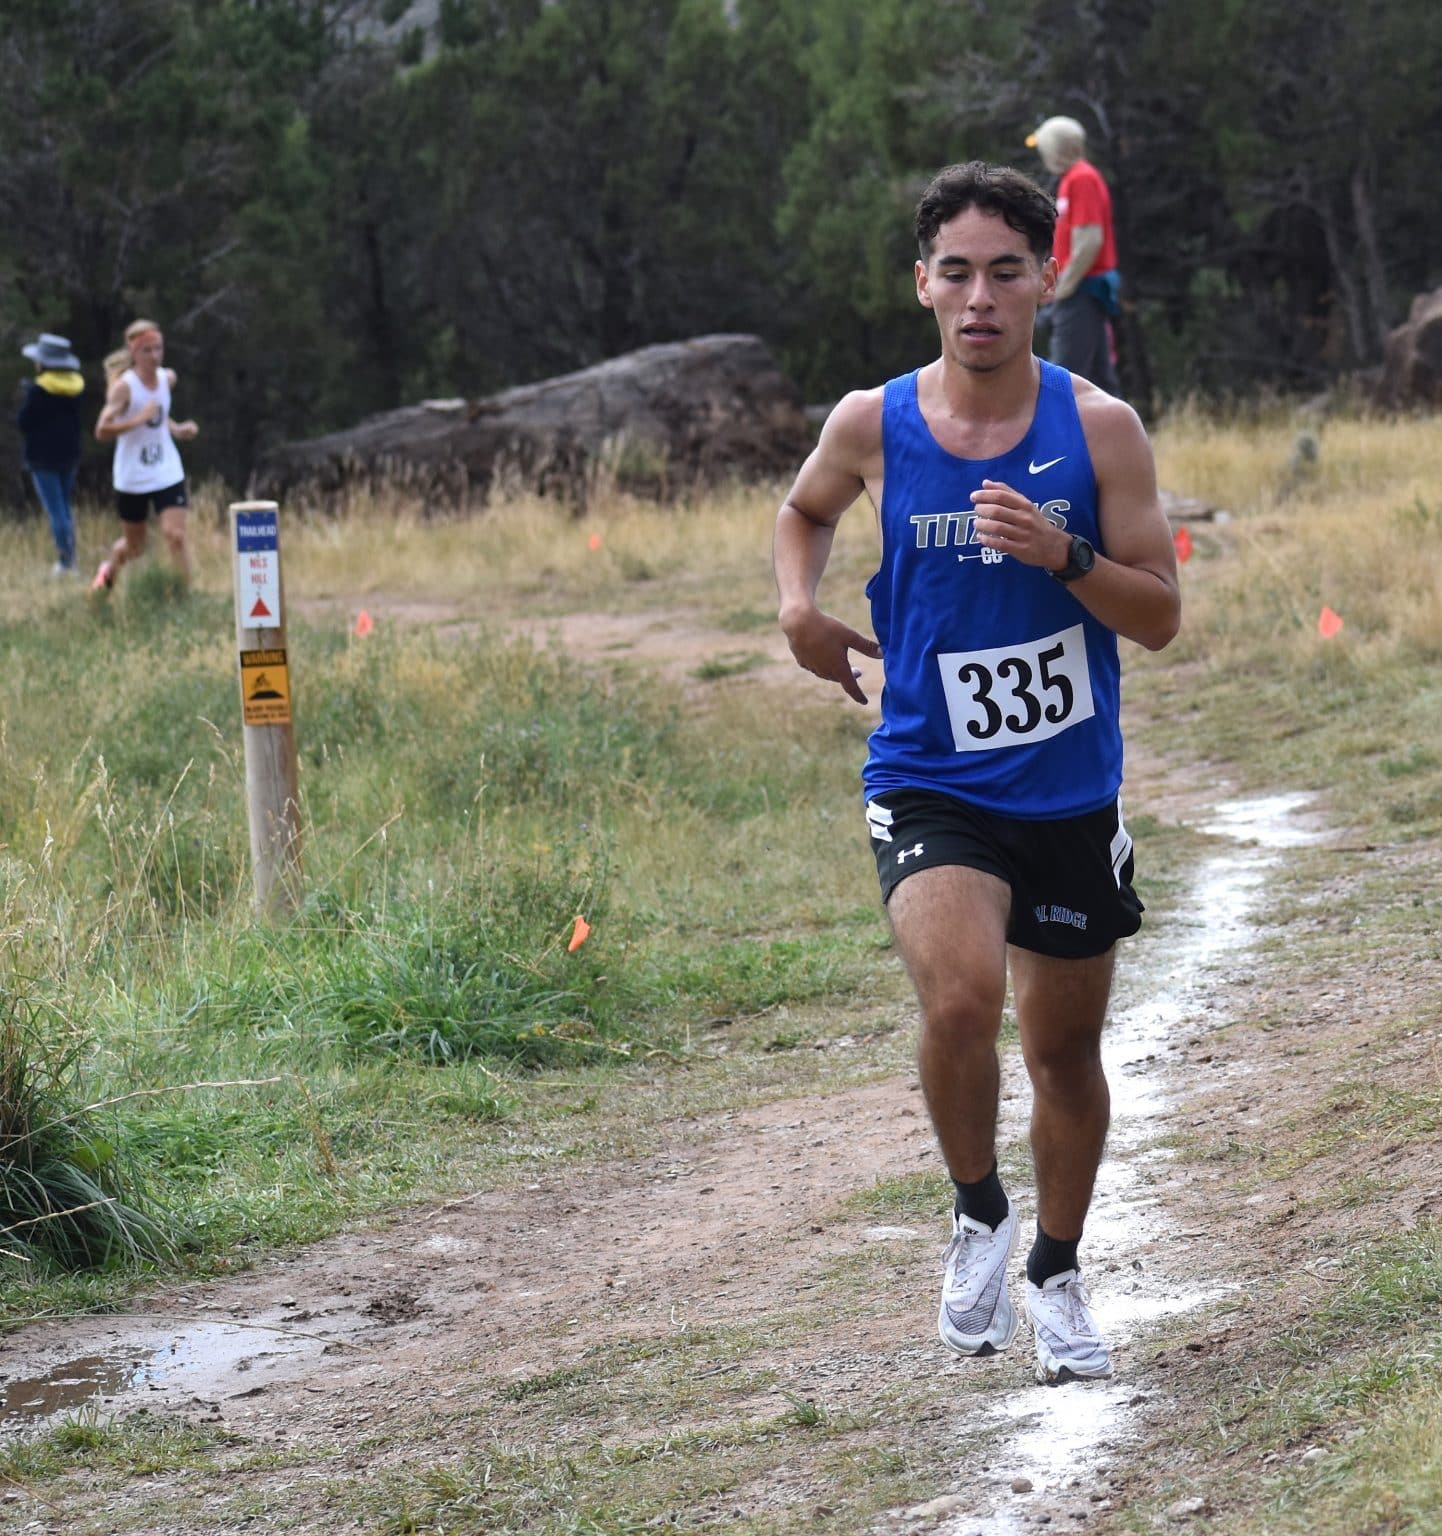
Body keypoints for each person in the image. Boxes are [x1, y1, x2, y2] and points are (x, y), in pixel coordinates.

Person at [773, 161, 1179, 1384]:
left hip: (1064, 787)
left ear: (1044, 279)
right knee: (956, 999)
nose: (980, 298)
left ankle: (1053, 1269)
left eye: (1006, 271)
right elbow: (802, 515)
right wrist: (797, 611)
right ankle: (975, 1208)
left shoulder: (1098, 427)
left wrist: (1063, 556)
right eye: (955, 272)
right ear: (921, 285)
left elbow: (1156, 615)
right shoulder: (870, 422)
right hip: (928, 775)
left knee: (1061, 1052)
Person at [91, 318, 200, 592]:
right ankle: (107, 574)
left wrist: (177, 429)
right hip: (133, 476)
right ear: (134, 353)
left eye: (158, 348)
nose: (154, 356)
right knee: (134, 547)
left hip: (166, 469)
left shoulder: (167, 378)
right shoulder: (124, 388)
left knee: (175, 535)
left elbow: (159, 414)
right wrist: (137, 419)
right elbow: (101, 430)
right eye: (147, 350)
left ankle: (186, 596)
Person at [1027, 116, 1122, 396]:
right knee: (1099, 380)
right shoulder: (1072, 180)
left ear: (1055, 149)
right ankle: (1118, 438)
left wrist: (1062, 291)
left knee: (1062, 378)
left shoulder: (1082, 179)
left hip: (1082, 291)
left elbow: (1090, 242)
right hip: (1079, 290)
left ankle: (1051, 440)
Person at [16, 333, 85, 575]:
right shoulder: (76, 387)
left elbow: (24, 422)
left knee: (55, 509)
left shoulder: (39, 391)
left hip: (43, 458)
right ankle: (70, 556)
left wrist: (26, 397)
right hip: (70, 454)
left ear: (43, 362)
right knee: (64, 507)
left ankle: (67, 562)